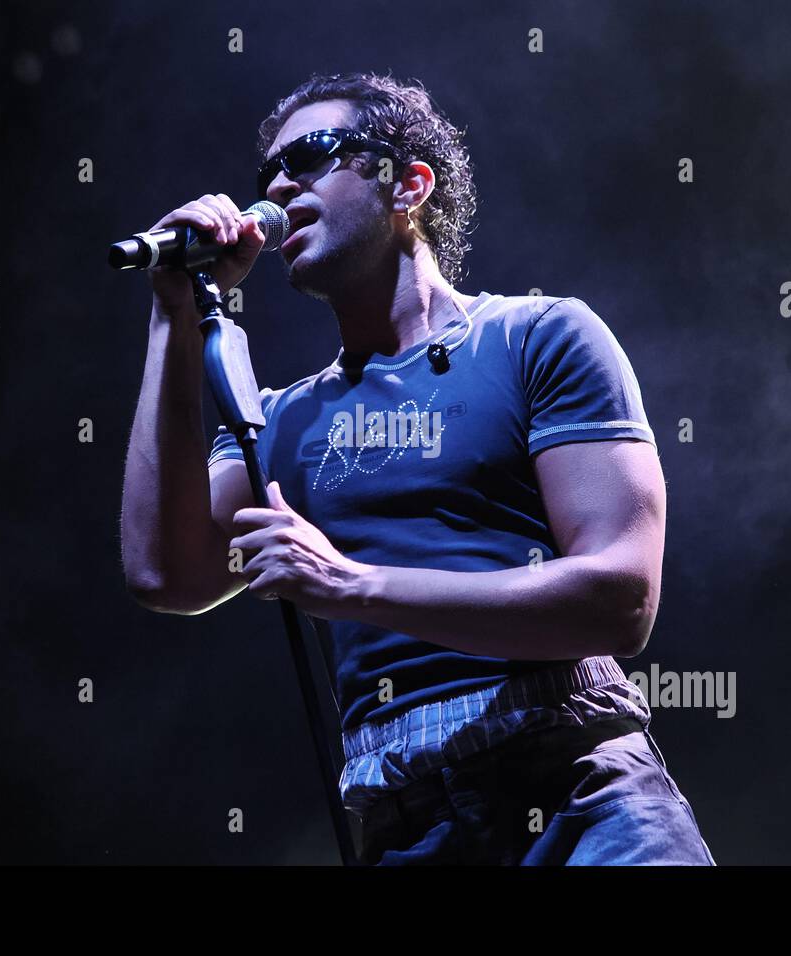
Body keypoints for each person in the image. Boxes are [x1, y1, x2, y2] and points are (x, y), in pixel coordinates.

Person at [120, 72, 715, 866]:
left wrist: (350, 585)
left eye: (311, 156)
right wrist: (173, 316)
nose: (277, 184)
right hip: (406, 822)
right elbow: (166, 575)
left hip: (577, 788)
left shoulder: (537, 336)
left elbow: (620, 599)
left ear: (408, 183)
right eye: (267, 173)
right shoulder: (282, 419)